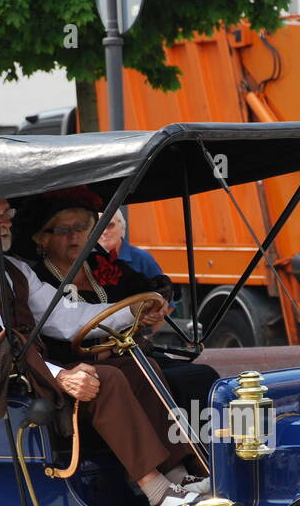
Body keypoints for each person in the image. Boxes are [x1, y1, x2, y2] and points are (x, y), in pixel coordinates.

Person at [0, 198, 203, 506]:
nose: (6, 222)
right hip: (9, 385)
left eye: (8, 214)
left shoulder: (12, 269)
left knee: (138, 367)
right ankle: (154, 489)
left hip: (34, 371)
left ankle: (176, 474)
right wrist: (61, 375)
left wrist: (133, 310)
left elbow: (65, 318)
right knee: (106, 378)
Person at [27, 191, 220, 452]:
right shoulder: (37, 279)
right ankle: (173, 465)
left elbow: (144, 290)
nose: (75, 236)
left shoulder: (99, 263)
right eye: (63, 229)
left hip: (130, 351)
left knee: (201, 377)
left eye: (82, 227)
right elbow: (55, 331)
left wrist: (152, 306)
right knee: (149, 375)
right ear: (42, 238)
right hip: (77, 364)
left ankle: (212, 457)